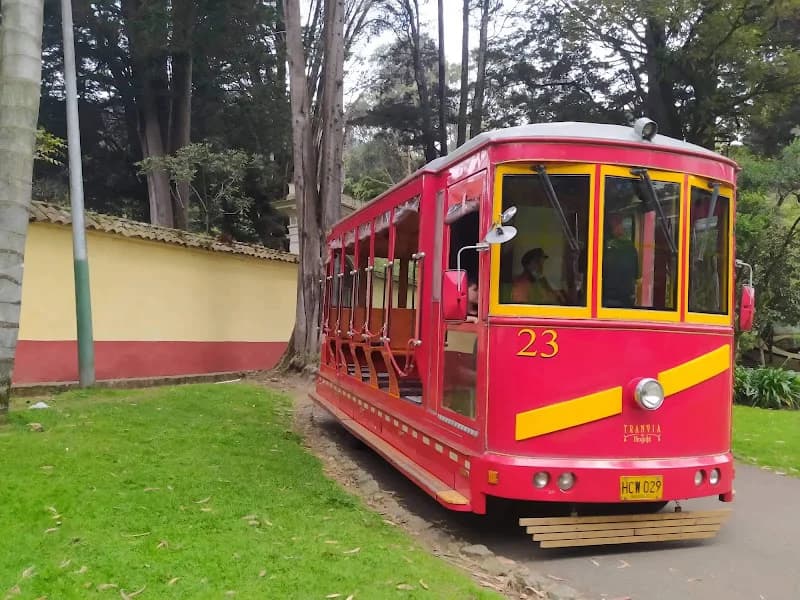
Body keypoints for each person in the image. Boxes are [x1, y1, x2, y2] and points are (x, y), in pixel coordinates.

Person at [602, 213, 639, 308]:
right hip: (626, 301)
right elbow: (637, 276)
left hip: (604, 299)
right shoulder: (630, 248)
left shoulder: (601, 247)